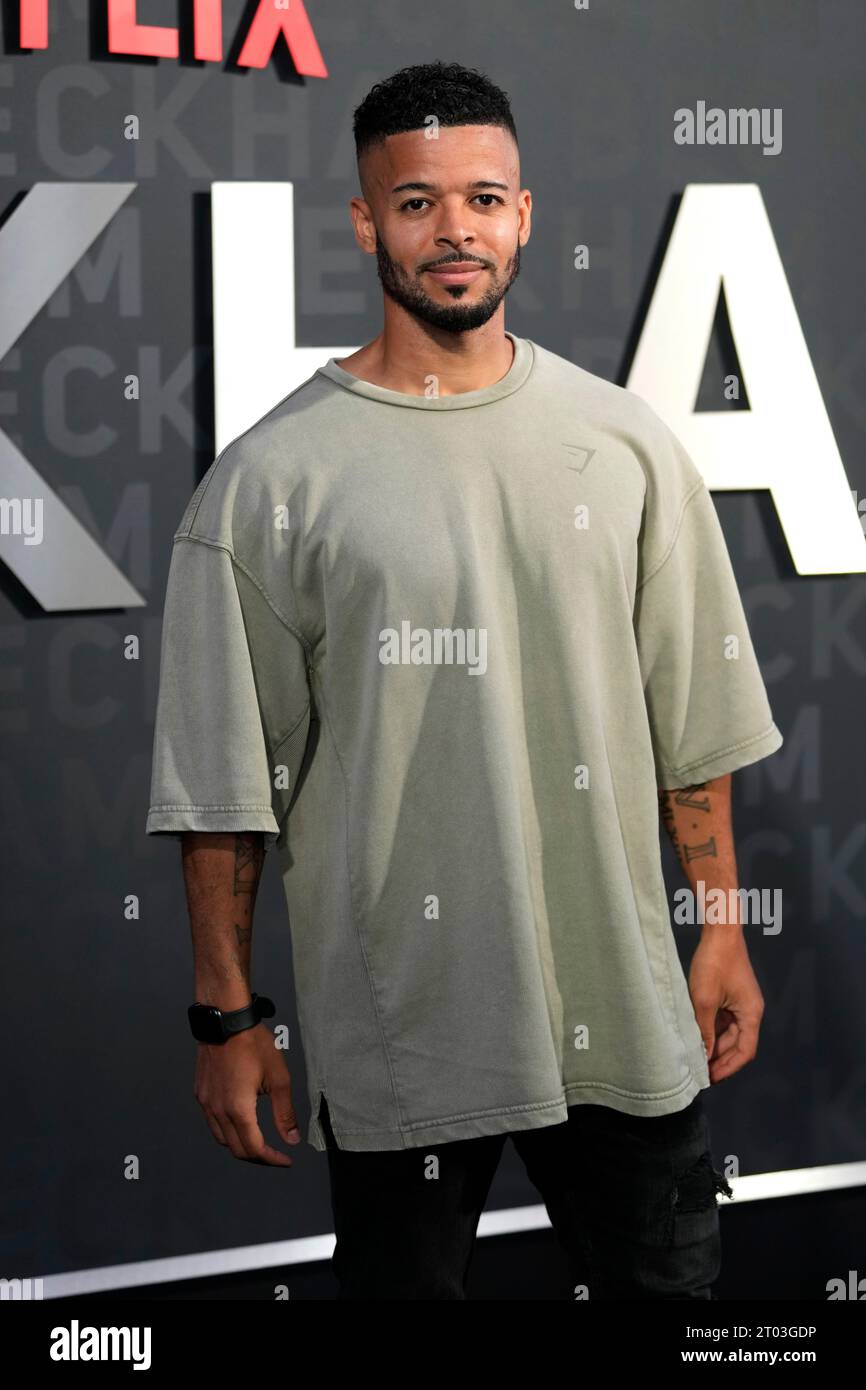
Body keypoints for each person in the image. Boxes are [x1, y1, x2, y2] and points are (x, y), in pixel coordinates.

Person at [146, 61, 783, 1300]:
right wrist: (227, 1019)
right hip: (403, 1037)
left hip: (624, 1014)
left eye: (482, 200)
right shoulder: (270, 484)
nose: (454, 233)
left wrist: (718, 929)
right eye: (417, 203)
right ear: (363, 222)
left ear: (524, 215)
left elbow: (685, 729)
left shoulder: (628, 443)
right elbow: (226, 789)